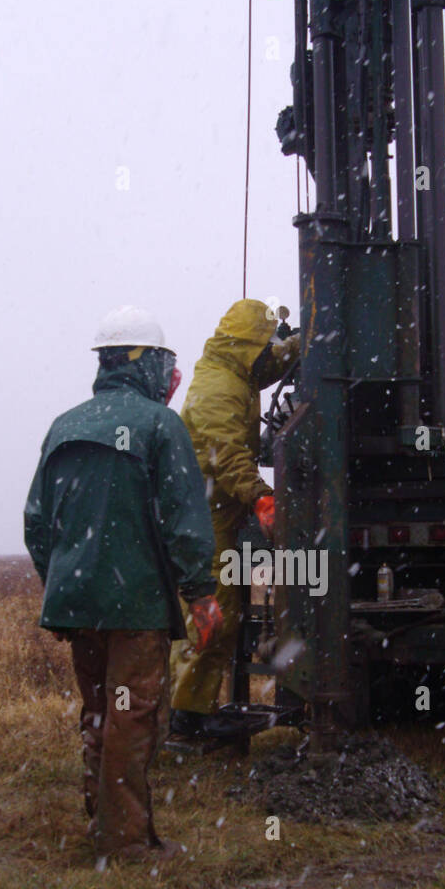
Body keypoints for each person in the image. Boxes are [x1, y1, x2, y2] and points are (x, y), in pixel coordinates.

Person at [24, 305, 223, 866]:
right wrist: (201, 594)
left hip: (77, 600)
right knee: (133, 717)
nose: (173, 376)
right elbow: (186, 520)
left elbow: (36, 522)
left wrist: (61, 583)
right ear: (148, 362)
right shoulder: (161, 426)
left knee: (99, 713)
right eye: (168, 363)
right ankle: (126, 843)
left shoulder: (64, 426)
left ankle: (104, 822)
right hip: (134, 605)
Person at [170, 298, 298, 740]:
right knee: (212, 615)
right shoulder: (218, 389)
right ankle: (187, 717)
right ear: (249, 344)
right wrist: (262, 498)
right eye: (266, 345)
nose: (270, 356)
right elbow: (224, 455)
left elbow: (273, 362)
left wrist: (302, 342)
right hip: (205, 517)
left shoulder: (237, 369)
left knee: (223, 612)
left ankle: (192, 710)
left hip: (219, 513)